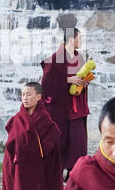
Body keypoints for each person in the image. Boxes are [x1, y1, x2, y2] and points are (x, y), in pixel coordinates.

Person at [1, 81, 63, 190]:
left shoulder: (46, 120)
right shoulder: (17, 119)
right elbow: (12, 141)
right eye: (23, 95)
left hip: (41, 165)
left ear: (39, 97)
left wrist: (38, 153)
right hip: (21, 164)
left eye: (29, 94)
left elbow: (53, 138)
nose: (25, 98)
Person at [38, 13, 91, 175]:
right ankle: (57, 170)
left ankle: (76, 171)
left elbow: (79, 76)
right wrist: (69, 79)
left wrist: (84, 81)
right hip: (62, 109)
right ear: (71, 39)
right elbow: (47, 82)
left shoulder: (78, 57)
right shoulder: (57, 58)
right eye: (79, 38)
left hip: (77, 108)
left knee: (79, 142)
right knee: (63, 141)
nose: (80, 41)